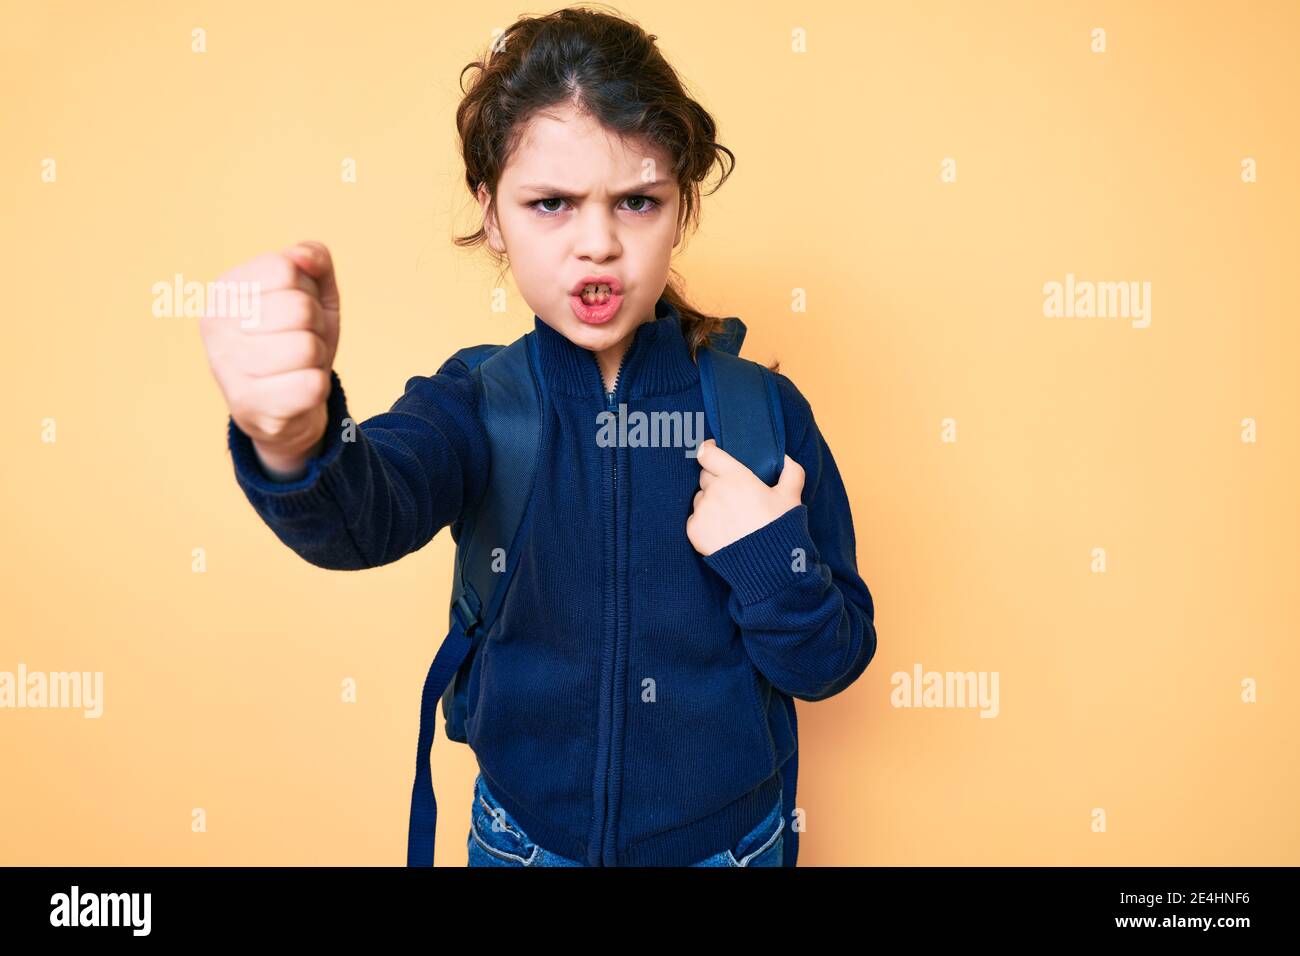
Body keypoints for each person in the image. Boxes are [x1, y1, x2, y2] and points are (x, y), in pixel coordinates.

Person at [199, 5, 877, 867]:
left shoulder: (763, 414)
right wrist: (293, 441)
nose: (597, 245)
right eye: (550, 204)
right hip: (521, 843)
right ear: (491, 215)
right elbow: (360, 520)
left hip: (731, 849)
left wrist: (768, 555)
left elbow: (832, 661)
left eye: (637, 201)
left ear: (683, 206)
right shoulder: (476, 404)